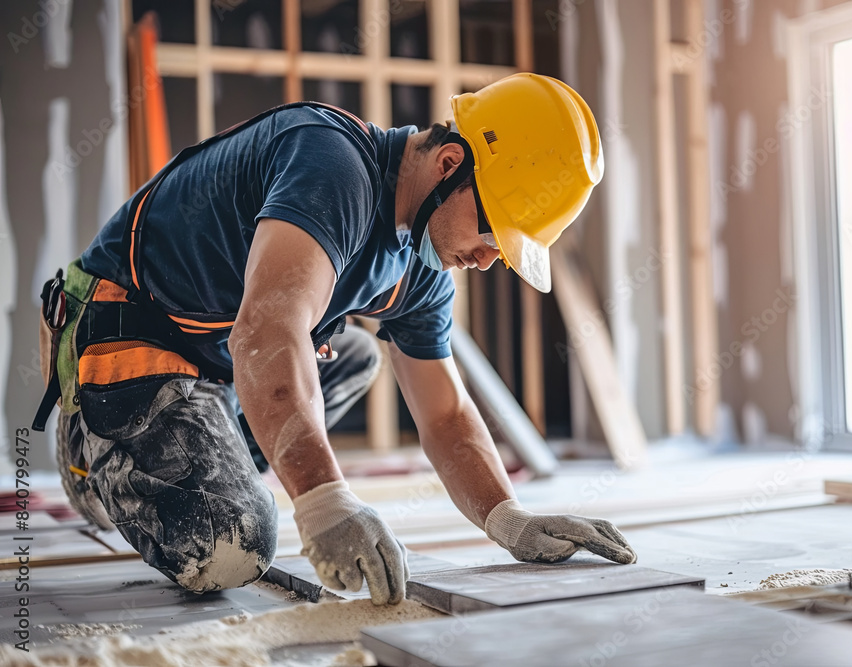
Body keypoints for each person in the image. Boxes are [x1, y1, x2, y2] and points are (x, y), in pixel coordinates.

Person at [33, 73, 636, 605]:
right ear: (451, 163)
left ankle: (188, 446)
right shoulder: (332, 165)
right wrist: (324, 501)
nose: (489, 257)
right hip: (130, 333)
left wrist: (510, 520)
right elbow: (268, 331)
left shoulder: (422, 265)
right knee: (230, 546)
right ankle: (95, 455)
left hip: (216, 360)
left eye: (504, 249)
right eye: (492, 230)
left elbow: (446, 415)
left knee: (350, 359)